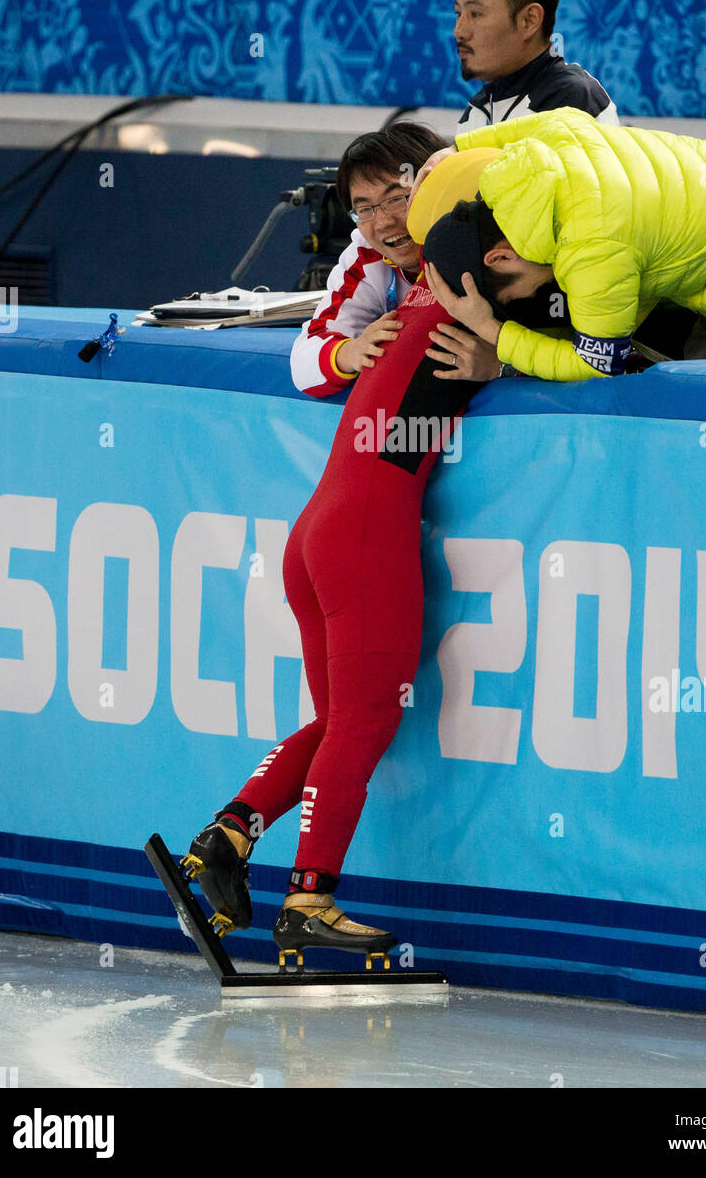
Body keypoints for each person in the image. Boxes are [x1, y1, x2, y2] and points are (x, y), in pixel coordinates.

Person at [182, 153, 533, 963]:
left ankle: (230, 835)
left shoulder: (416, 300)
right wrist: (505, 347)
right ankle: (311, 897)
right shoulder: (458, 304)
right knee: (367, 722)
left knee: (340, 721)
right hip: (367, 535)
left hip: (315, 536)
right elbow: (588, 353)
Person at [407, 107, 706, 381]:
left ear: (501, 256)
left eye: (510, 295)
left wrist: (493, 331)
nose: (530, 297)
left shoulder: (592, 248)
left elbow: (599, 364)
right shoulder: (554, 149)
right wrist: (459, 147)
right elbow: (559, 117)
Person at [290, 122, 501, 393]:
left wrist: (501, 365)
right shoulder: (365, 253)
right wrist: (352, 352)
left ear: (441, 187)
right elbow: (305, 361)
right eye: (365, 209)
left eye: (398, 199)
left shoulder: (497, 242)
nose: (383, 223)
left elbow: (568, 347)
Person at [453, 0, 619, 135]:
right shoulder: (476, 111)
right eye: (458, 14)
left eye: (475, 14)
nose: (459, 31)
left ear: (529, 20)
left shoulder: (574, 101)